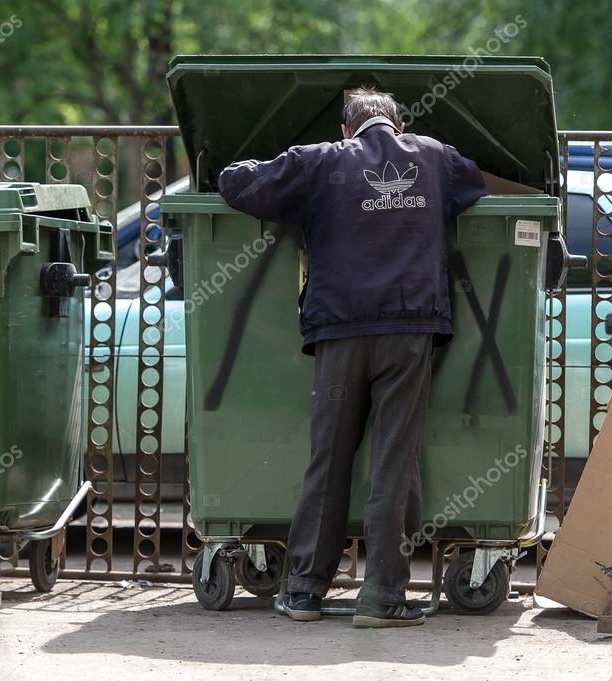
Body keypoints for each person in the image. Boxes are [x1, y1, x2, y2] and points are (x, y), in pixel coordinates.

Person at [218, 87, 486, 628]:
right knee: (393, 462)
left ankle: (303, 592)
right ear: (399, 123)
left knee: (329, 458)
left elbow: (235, 182)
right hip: (409, 333)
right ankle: (382, 598)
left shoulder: (318, 162)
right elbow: (474, 183)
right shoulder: (433, 157)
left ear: (346, 129)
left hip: (339, 333)